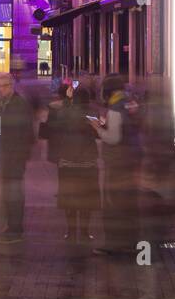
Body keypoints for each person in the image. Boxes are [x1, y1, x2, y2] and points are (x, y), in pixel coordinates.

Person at [88, 75, 143, 257]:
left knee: (113, 204)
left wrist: (97, 127)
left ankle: (114, 244)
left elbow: (113, 138)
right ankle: (131, 242)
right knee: (129, 204)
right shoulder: (131, 103)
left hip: (117, 163)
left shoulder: (114, 109)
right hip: (132, 160)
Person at [0, 72, 34, 243]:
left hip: (15, 154)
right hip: (6, 154)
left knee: (14, 192)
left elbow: (14, 130)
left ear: (11, 86)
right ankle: (11, 226)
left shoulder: (18, 104)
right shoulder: (3, 104)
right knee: (9, 192)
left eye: (4, 86)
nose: (1, 90)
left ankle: (15, 229)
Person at [53, 82, 100, 243]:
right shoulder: (92, 114)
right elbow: (99, 132)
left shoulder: (66, 112)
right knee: (87, 199)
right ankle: (85, 233)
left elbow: (57, 123)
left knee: (69, 199)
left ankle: (71, 232)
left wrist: (67, 101)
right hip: (88, 163)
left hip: (68, 163)